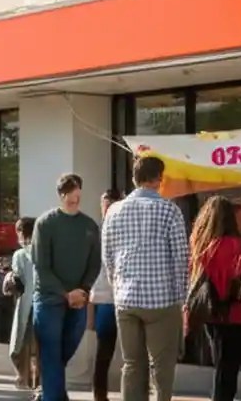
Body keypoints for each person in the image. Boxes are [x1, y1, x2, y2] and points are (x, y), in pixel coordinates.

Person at [102, 155, 189, 401]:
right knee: (162, 366)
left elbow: (107, 256)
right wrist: (181, 298)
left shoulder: (114, 211)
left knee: (132, 364)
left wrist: (117, 286)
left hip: (126, 299)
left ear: (134, 178)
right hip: (162, 299)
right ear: (159, 179)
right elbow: (180, 258)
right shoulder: (169, 210)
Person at [32, 173, 102, 401]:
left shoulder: (89, 226)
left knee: (61, 354)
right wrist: (65, 293)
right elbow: (41, 266)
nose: (73, 197)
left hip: (78, 300)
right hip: (49, 299)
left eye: (76, 192)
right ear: (60, 195)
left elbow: (94, 264)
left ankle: (50, 393)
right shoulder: (45, 223)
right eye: (68, 193)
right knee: (51, 353)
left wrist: (83, 290)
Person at [188, 196, 241, 401]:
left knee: (220, 366)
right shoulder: (236, 245)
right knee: (229, 371)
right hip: (235, 313)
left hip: (210, 312)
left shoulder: (201, 245)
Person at [89, 189, 122, 401]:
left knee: (132, 352)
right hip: (104, 299)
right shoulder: (95, 234)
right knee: (104, 350)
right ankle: (99, 394)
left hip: (124, 297)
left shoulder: (126, 231)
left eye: (110, 205)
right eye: (104, 206)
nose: (107, 210)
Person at [7, 217, 39, 392]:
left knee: (22, 342)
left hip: (25, 304)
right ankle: (38, 381)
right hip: (41, 304)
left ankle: (22, 378)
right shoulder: (43, 252)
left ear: (21, 233)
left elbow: (17, 280)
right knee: (40, 345)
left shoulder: (19, 255)